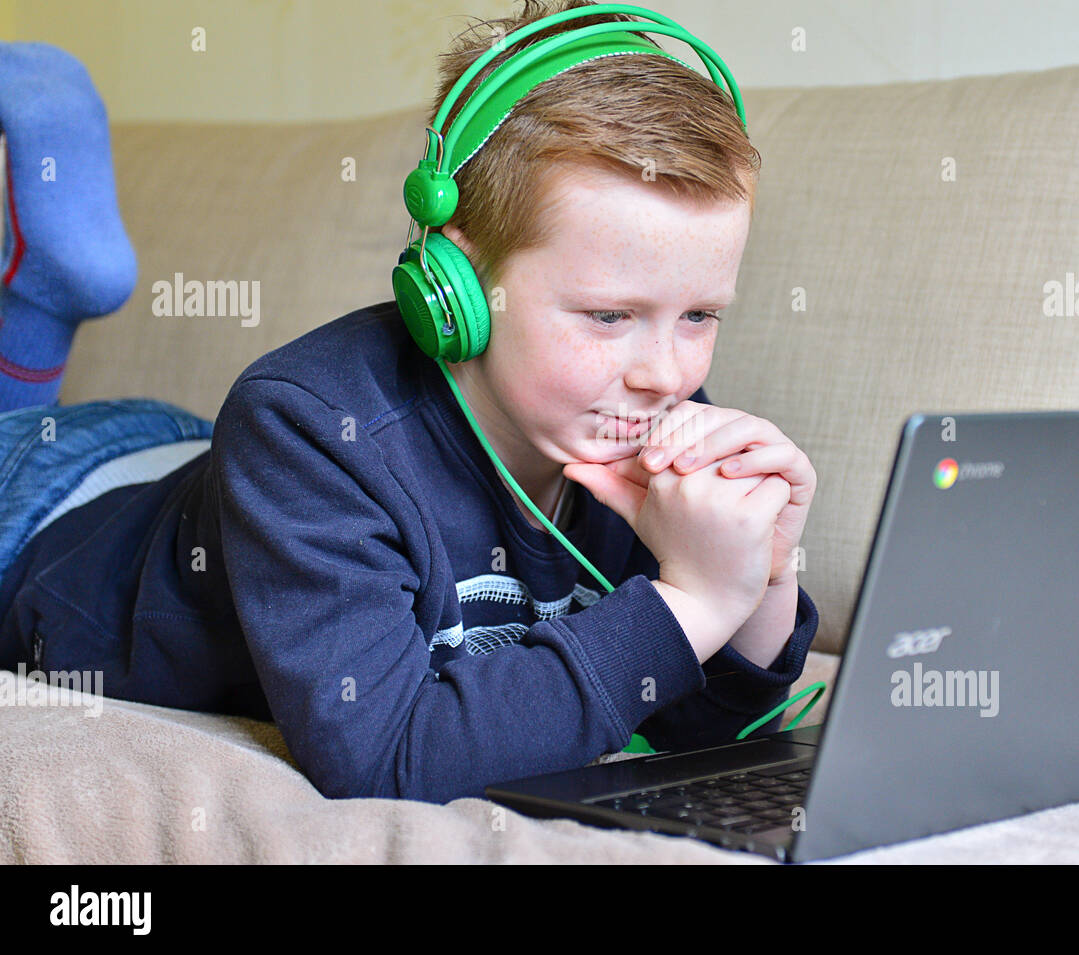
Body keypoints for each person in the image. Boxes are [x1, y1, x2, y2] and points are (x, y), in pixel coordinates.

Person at [0, 0, 821, 804]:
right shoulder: (306, 428)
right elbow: (384, 758)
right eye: (610, 315)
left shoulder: (634, 405)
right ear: (453, 287)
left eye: (701, 316)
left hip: (214, 476)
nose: (668, 373)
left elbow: (691, 725)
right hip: (47, 501)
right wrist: (692, 599)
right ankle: (37, 302)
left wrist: (758, 579)